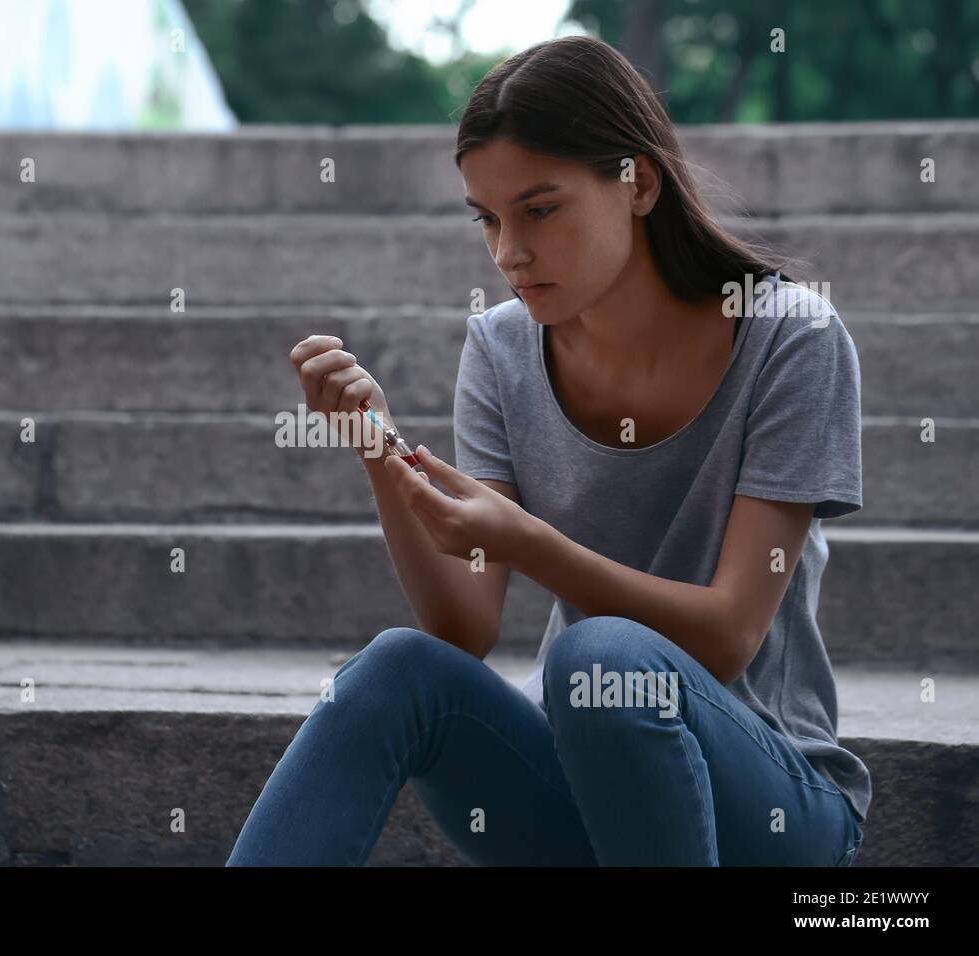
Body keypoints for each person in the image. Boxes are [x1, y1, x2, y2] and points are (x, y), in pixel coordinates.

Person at [227, 35, 868, 867]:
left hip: (775, 804)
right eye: (488, 219)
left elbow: (728, 635)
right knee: (397, 671)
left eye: (540, 209)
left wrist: (532, 544)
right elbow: (464, 626)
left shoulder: (792, 338)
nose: (508, 252)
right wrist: (378, 453)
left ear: (637, 183)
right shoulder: (501, 350)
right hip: (582, 794)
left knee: (598, 660)